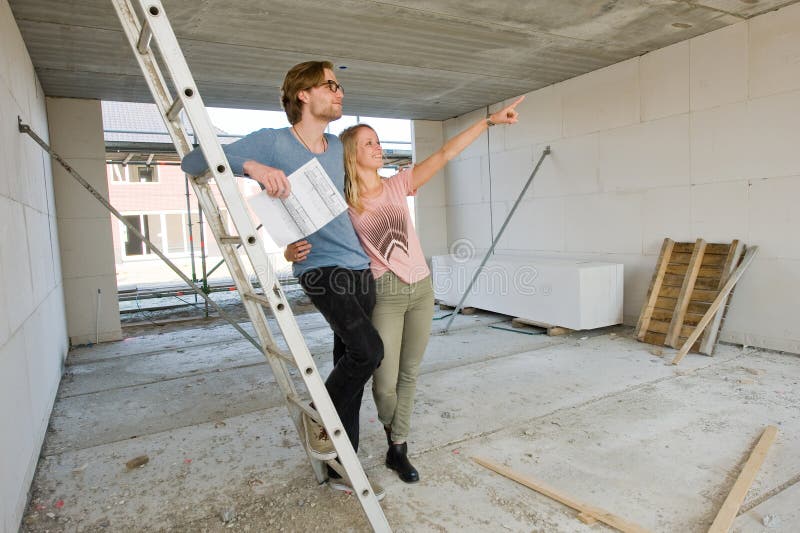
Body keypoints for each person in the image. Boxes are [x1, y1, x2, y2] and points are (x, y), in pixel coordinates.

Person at [290, 97, 524, 483]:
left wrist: (489, 122)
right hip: (384, 293)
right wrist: (288, 249)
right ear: (351, 153)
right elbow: (303, 227)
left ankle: (397, 447)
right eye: (368, 142)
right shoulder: (344, 202)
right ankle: (380, 429)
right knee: (383, 381)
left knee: (410, 373)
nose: (378, 147)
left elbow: (447, 152)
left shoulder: (398, 185)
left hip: (421, 290)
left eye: (378, 141)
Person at [181, 61, 384, 498]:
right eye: (331, 85)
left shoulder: (336, 148)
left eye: (340, 85)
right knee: (369, 352)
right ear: (304, 94)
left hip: (359, 268)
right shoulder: (273, 142)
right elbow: (193, 160)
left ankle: (341, 466)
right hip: (320, 267)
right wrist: (252, 166)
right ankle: (317, 417)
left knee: (350, 365)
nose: (340, 92)